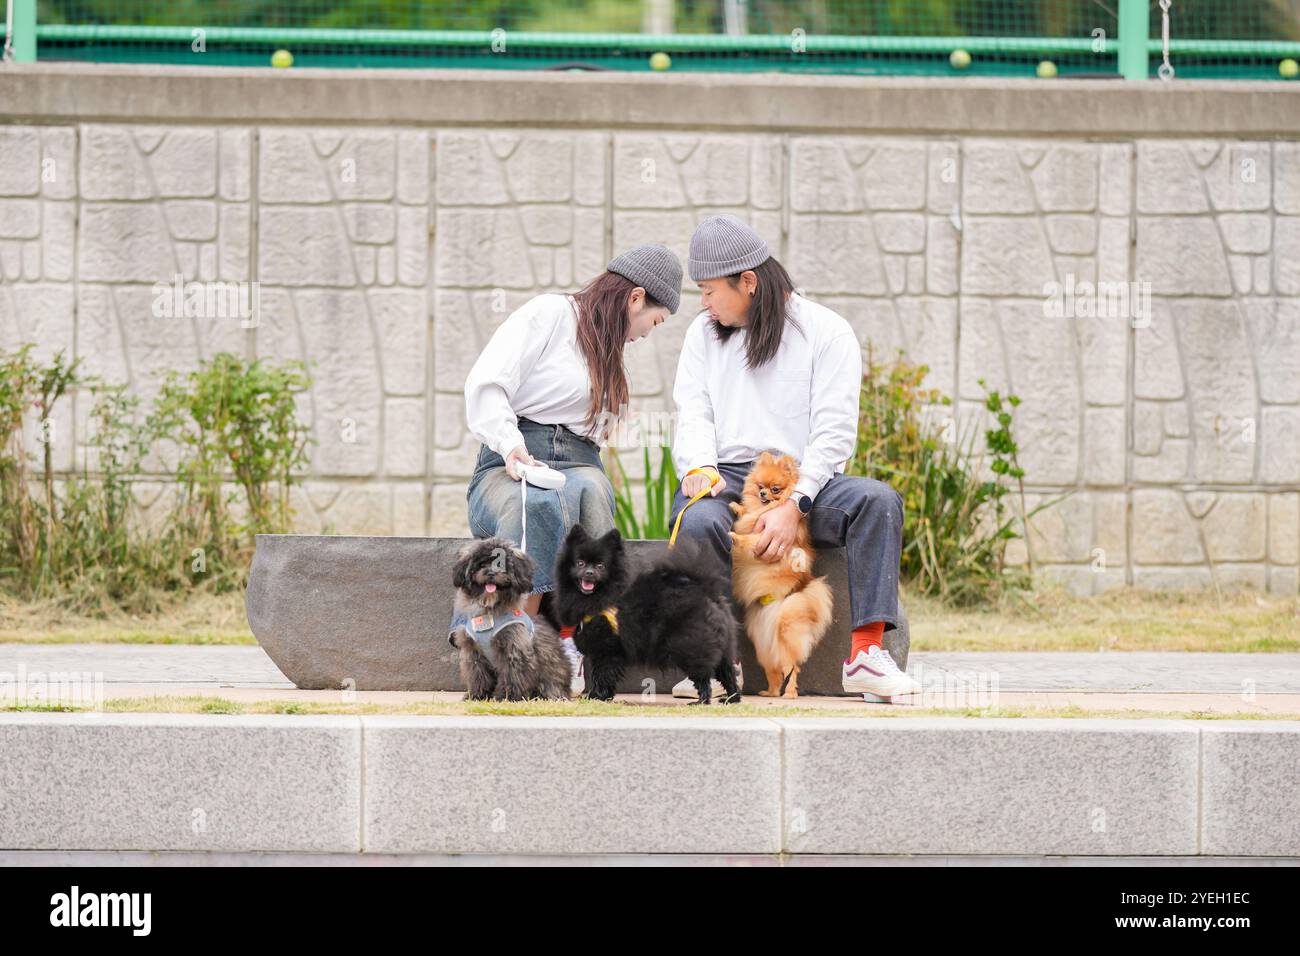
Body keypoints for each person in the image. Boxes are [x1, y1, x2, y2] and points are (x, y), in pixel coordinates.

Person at [668, 215, 920, 701]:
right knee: (697, 519)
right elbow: (693, 412)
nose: (703, 303)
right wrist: (699, 468)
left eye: (708, 290)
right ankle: (718, 663)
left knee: (878, 501)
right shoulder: (703, 334)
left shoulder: (827, 331)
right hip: (729, 479)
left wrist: (794, 505)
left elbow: (835, 431)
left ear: (748, 282)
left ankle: (866, 655)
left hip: (808, 481)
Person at [463, 244, 683, 694]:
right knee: (538, 502)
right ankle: (510, 640)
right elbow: (487, 383)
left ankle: (579, 640)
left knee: (592, 495)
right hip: (509, 460)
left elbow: (596, 442)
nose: (645, 334)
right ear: (636, 298)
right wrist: (512, 446)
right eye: (653, 322)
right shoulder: (548, 314)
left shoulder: (608, 354)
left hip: (581, 462)